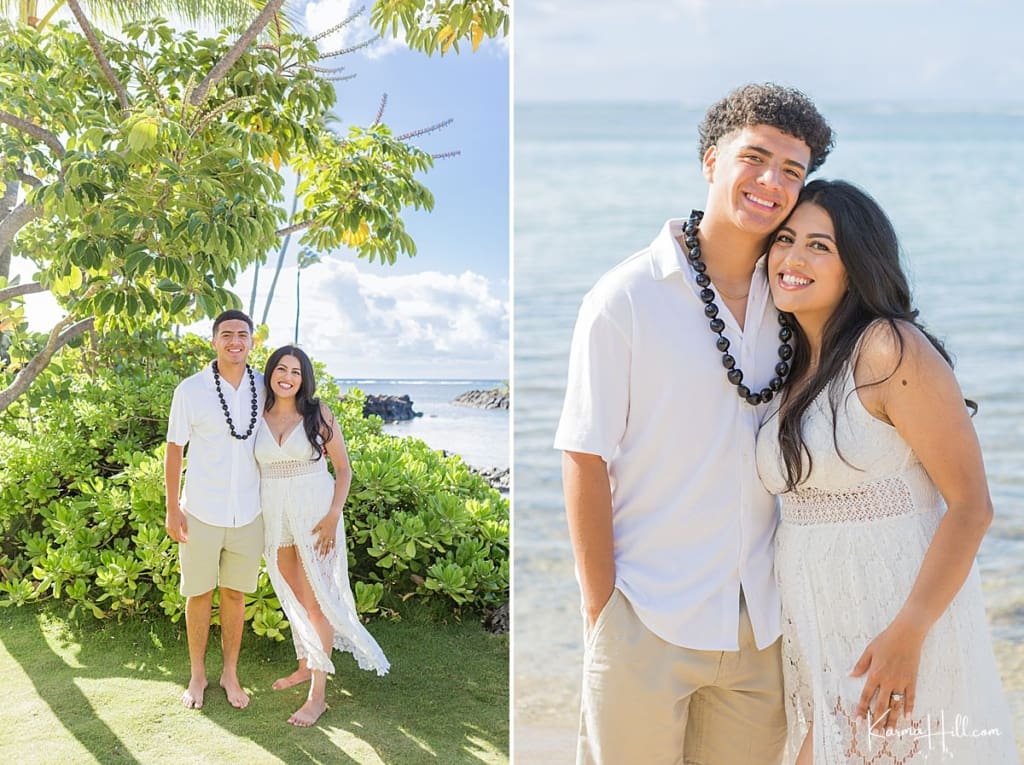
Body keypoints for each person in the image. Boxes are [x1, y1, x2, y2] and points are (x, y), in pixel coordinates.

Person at [554, 83, 835, 764]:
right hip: (646, 613)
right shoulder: (625, 297)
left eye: (791, 170)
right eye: (754, 158)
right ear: (711, 161)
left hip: (760, 626)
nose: (771, 183)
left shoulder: (796, 295)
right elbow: (584, 454)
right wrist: (602, 610)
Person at [756, 179, 1019, 763]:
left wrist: (910, 631)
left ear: (856, 266)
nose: (792, 258)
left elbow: (972, 506)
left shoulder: (887, 347)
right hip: (821, 623)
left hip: (896, 618)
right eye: (785, 239)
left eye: (819, 246)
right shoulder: (791, 364)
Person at [257, 345, 389, 727]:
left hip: (316, 515)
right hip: (275, 516)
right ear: (270, 373)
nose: (287, 377)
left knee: (318, 601)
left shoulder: (318, 413)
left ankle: (318, 697)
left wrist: (333, 515)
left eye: (295, 372)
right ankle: (305, 664)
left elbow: (343, 469)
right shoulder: (258, 414)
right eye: (281, 369)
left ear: (304, 379)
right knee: (295, 597)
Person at [165, 309, 265, 710]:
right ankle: (197, 675)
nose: (235, 341)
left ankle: (230, 673)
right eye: (227, 334)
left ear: (252, 341)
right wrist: (172, 508)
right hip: (201, 513)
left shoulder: (265, 387)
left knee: (235, 596)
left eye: (242, 334)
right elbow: (175, 450)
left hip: (249, 513)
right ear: (214, 341)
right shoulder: (190, 390)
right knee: (199, 595)